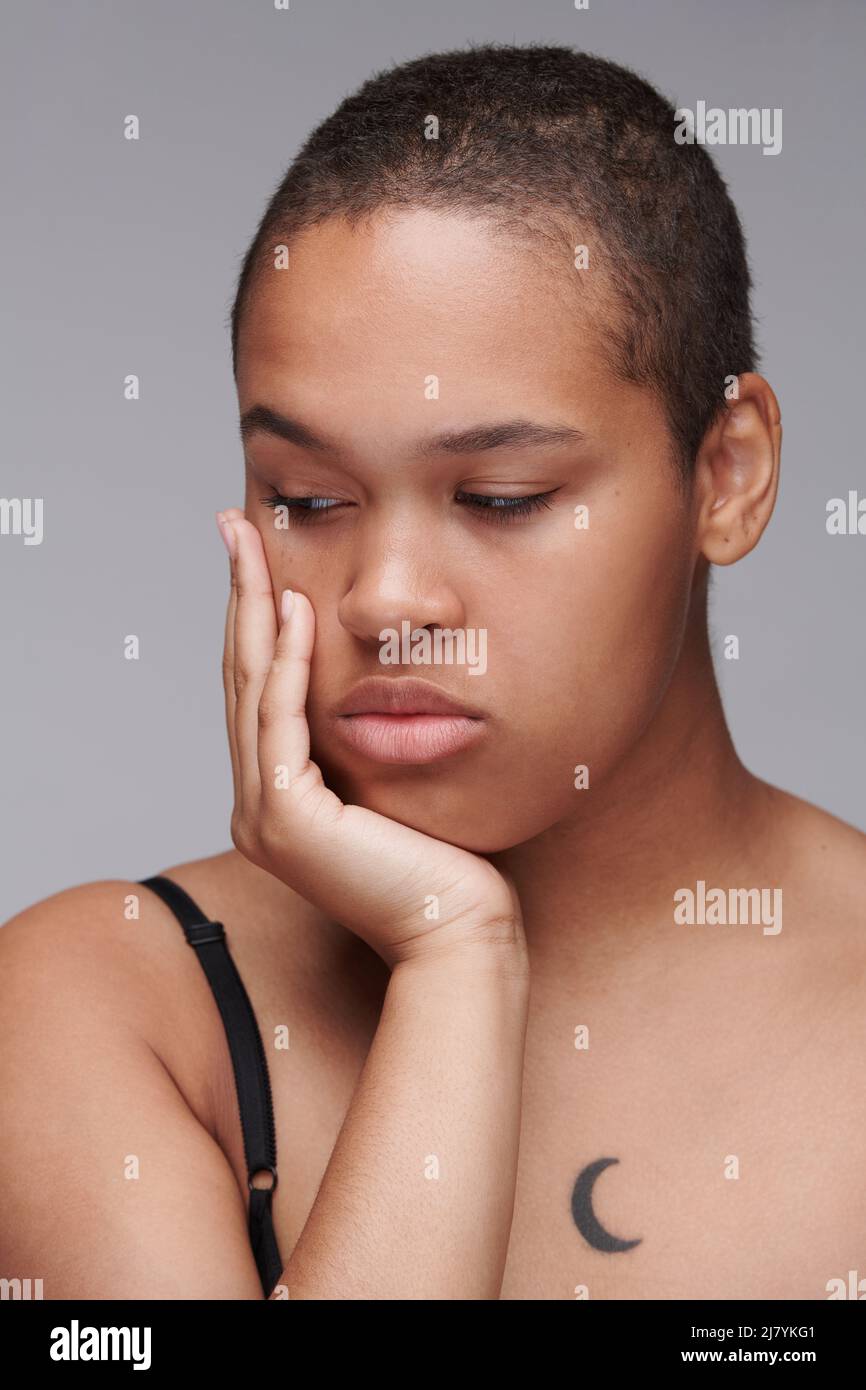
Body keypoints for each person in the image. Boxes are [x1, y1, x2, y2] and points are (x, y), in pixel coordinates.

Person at [2, 43, 864, 1302]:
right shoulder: (104, 1007)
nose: (385, 597)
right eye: (306, 496)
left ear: (724, 475)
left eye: (500, 498)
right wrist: (455, 959)